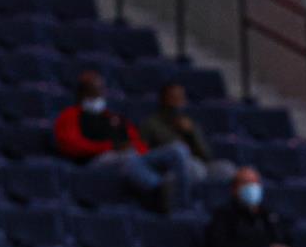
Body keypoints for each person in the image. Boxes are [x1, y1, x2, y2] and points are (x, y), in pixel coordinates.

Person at [52, 70, 201, 212]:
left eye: (100, 89)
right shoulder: (70, 116)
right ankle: (159, 190)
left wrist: (139, 151)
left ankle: (182, 202)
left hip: (132, 158)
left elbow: (137, 142)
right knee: (127, 157)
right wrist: (110, 146)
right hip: (97, 160)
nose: (99, 93)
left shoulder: (112, 118)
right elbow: (70, 146)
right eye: (93, 89)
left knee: (177, 149)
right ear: (82, 93)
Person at [139, 81, 234, 180]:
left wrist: (191, 133)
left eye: (180, 98)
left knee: (226, 168)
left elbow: (206, 156)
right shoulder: (150, 123)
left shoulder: (189, 124)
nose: (178, 101)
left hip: (198, 164)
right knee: (195, 168)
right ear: (163, 100)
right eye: (173, 97)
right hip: (168, 169)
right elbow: (143, 153)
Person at [205, 166, 294, 247]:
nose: (252, 186)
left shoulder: (270, 215)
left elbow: (286, 240)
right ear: (234, 188)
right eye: (245, 183)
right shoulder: (223, 215)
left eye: (255, 182)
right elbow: (222, 246)